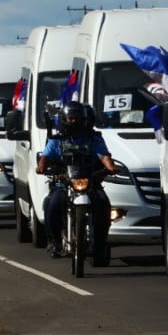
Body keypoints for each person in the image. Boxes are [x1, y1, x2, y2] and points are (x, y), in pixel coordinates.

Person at [37, 102, 115, 263]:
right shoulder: (57, 140)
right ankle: (55, 242)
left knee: (103, 204)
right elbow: (45, 157)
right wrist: (41, 167)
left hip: (90, 184)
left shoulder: (94, 138)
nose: (74, 121)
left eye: (77, 118)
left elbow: (104, 156)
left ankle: (100, 244)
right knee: (52, 204)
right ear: (64, 119)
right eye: (70, 118)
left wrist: (110, 167)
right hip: (63, 184)